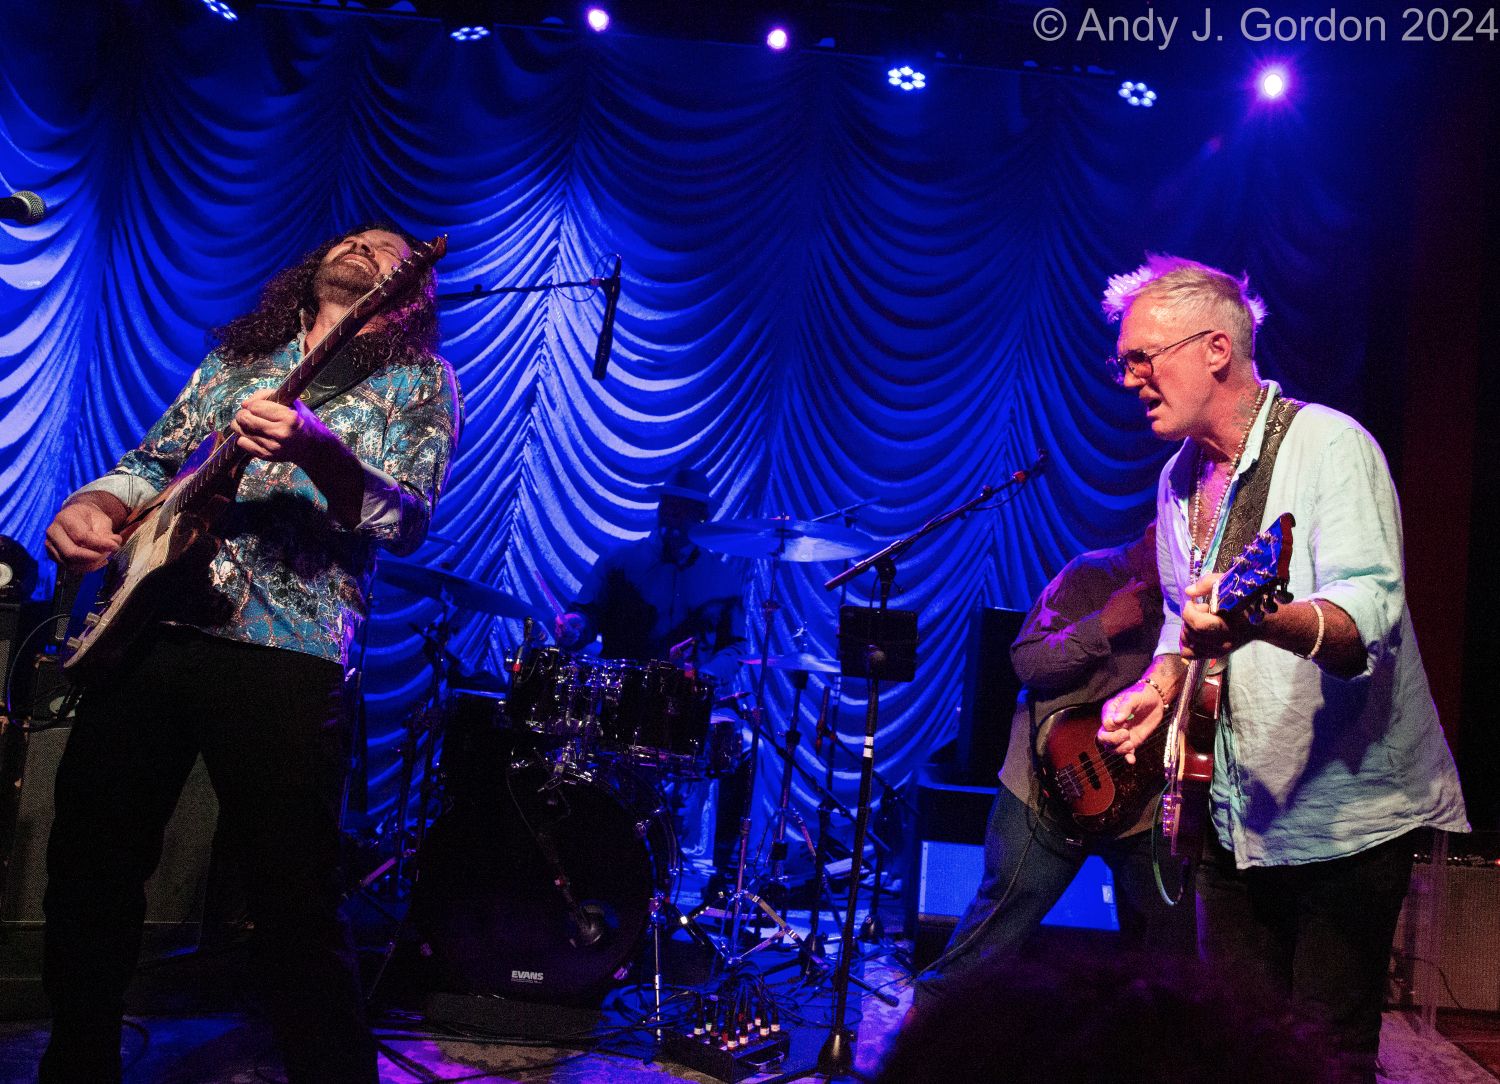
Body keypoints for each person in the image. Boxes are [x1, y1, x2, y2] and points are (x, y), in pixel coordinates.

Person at [40, 223, 461, 1084]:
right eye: (352, 238)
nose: (364, 247)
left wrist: (320, 450)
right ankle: (76, 1061)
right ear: (310, 275)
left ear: (409, 294)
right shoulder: (236, 362)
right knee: (91, 863)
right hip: (153, 623)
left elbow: (406, 520)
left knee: (291, 894)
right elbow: (150, 462)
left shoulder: (416, 381)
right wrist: (91, 501)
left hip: (286, 649)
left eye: (387, 250)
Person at [1095, 254, 1468, 1082]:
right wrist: (1155, 688)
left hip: (1344, 819)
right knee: (1237, 1049)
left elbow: (1365, 620)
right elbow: (1177, 621)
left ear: (1215, 349)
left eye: (1141, 357)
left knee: (1324, 1058)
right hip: (1229, 813)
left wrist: (1263, 617)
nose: (1128, 378)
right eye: (1125, 361)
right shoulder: (1175, 479)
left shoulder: (1332, 446)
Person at [911, 522, 1195, 1012]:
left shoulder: (1190, 600)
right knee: (999, 923)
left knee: (1173, 930)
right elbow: (1027, 662)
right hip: (1047, 787)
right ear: (1153, 533)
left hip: (1139, 803)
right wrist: (1102, 626)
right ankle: (926, 1028)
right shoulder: (1090, 574)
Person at [554, 466, 746, 874]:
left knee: (746, 756)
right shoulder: (620, 561)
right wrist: (574, 627)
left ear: (701, 518)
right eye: (668, 507)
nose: (672, 517)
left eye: (683, 511)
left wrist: (705, 673)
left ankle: (724, 880)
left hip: (687, 704)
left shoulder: (722, 579)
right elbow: (586, 614)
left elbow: (736, 647)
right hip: (620, 700)